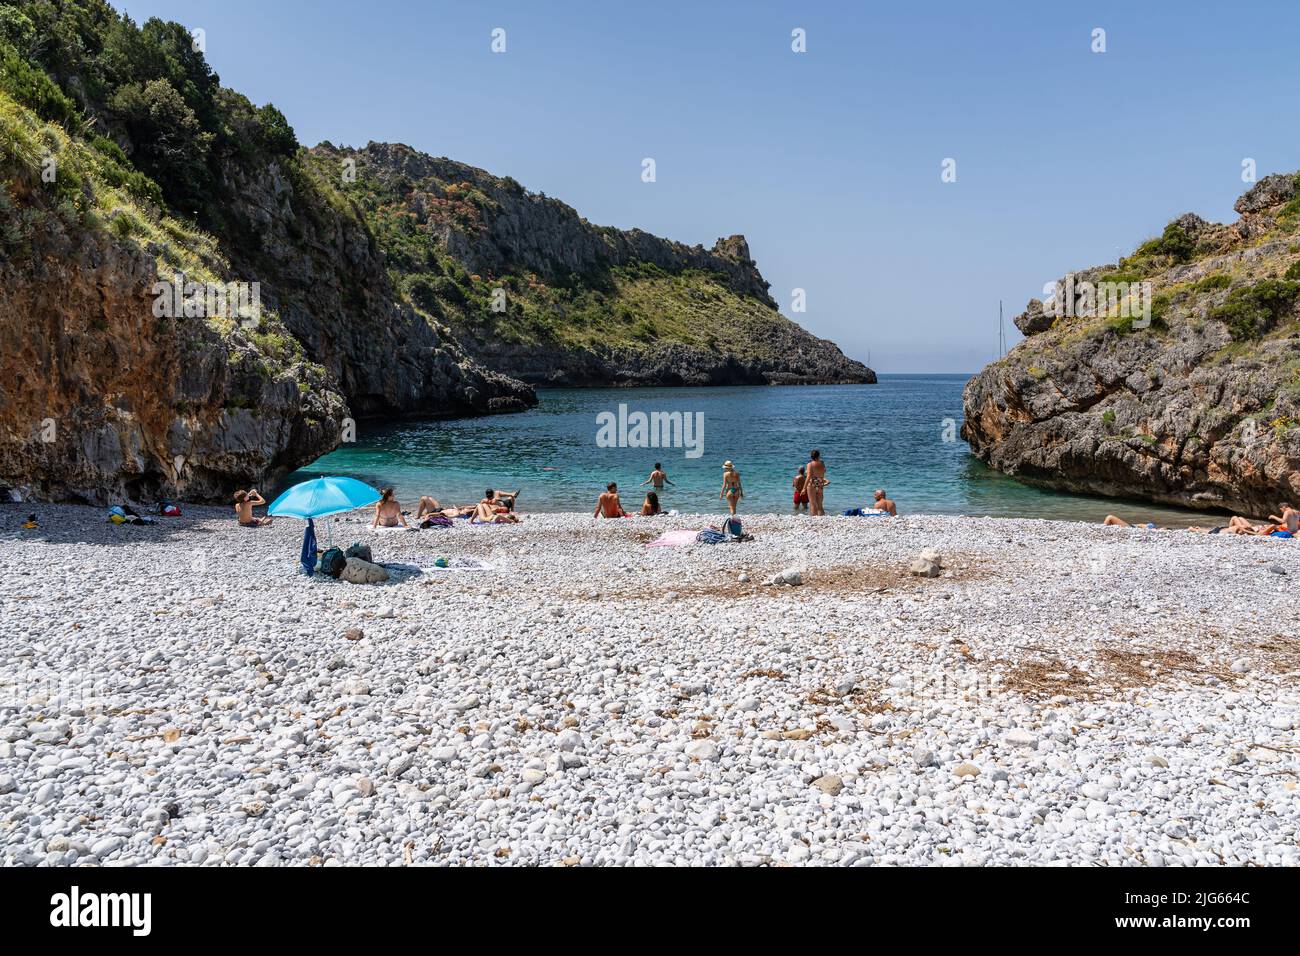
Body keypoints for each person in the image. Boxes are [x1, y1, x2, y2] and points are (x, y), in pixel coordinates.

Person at [806, 450, 828, 516]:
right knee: (820, 504)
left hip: (812, 483)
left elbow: (808, 476)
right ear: (818, 455)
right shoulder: (822, 463)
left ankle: (814, 518)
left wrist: (804, 488)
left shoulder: (810, 464)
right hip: (820, 482)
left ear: (811, 456)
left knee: (813, 503)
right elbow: (824, 471)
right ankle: (822, 518)